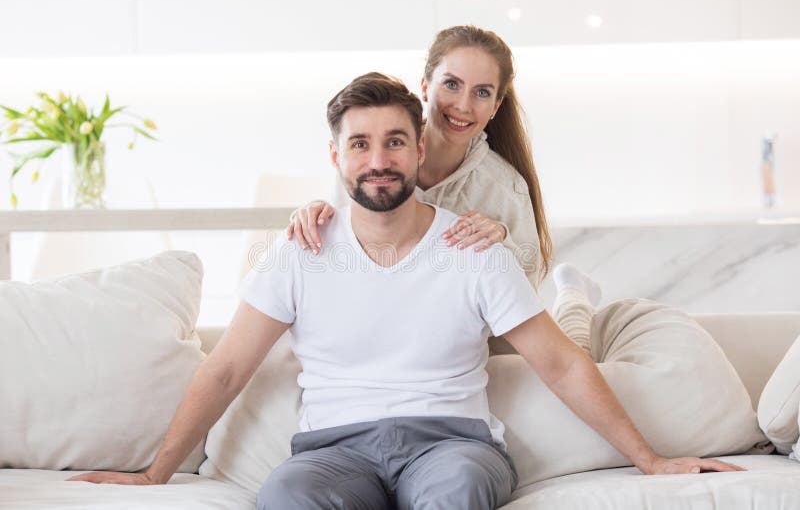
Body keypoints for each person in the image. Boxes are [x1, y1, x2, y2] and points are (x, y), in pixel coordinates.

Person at [66, 73, 743, 509]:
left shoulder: (475, 248)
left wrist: (651, 459)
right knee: (287, 498)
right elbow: (225, 369)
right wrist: (156, 473)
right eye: (360, 144)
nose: (379, 158)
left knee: (456, 491)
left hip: (453, 447)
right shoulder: (299, 252)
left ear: (419, 150)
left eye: (394, 140)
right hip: (333, 454)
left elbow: (562, 361)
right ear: (337, 158)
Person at [288, 25, 551, 287]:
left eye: (482, 92)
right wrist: (320, 216)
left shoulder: (505, 189)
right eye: (451, 84)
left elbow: (527, 292)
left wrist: (502, 241)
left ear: (495, 105)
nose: (463, 106)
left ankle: (574, 297)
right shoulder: (371, 163)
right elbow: (343, 250)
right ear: (425, 86)